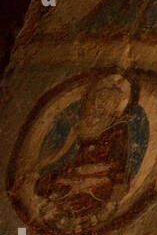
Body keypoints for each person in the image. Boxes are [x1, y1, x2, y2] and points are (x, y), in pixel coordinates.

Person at [34, 74, 134, 226]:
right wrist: (41, 166)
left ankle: (75, 204)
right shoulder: (82, 126)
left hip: (101, 173)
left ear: (117, 104)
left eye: (109, 100)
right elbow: (62, 152)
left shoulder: (119, 128)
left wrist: (93, 173)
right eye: (101, 98)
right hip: (78, 169)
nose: (103, 103)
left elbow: (118, 162)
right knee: (47, 182)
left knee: (99, 188)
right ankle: (67, 198)